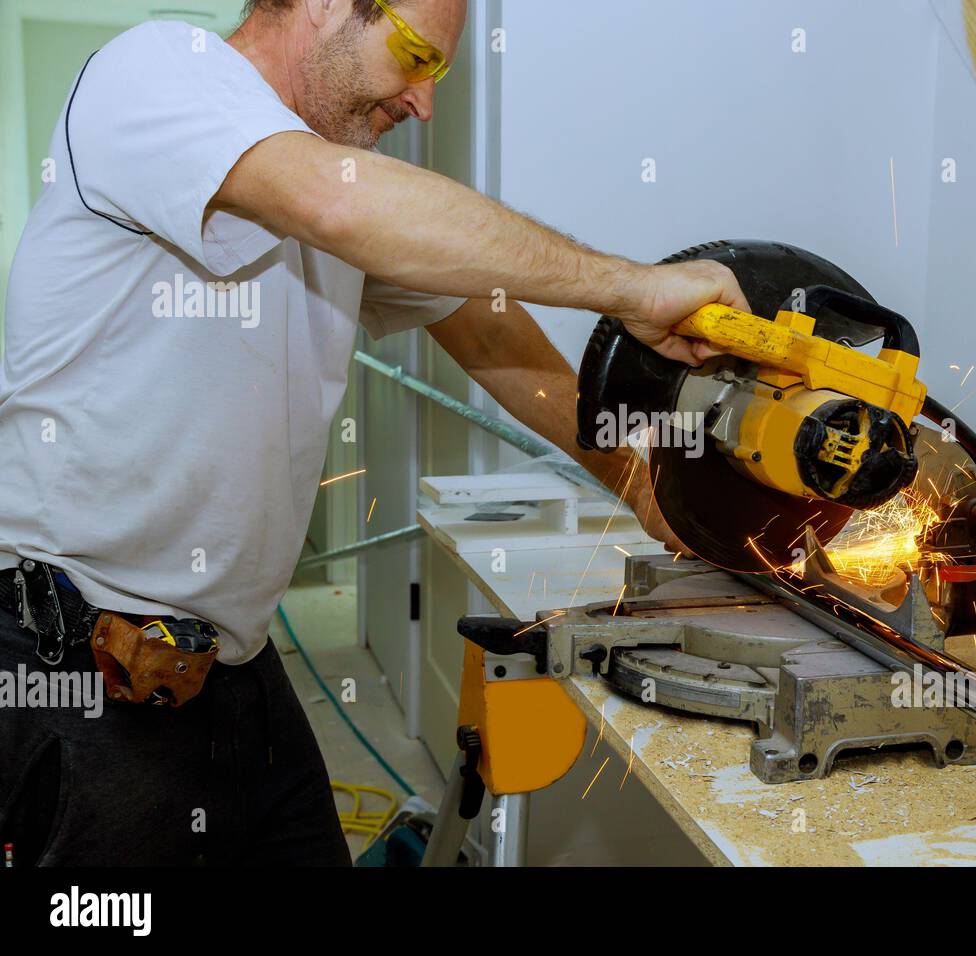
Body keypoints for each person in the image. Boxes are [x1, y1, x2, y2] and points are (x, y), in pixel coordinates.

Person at [0, 0, 747, 865]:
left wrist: (641, 482)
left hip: (228, 660)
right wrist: (630, 287)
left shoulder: (333, 179)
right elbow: (338, 205)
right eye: (414, 58)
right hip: (77, 655)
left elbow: (493, 333)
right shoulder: (160, 70)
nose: (423, 102)